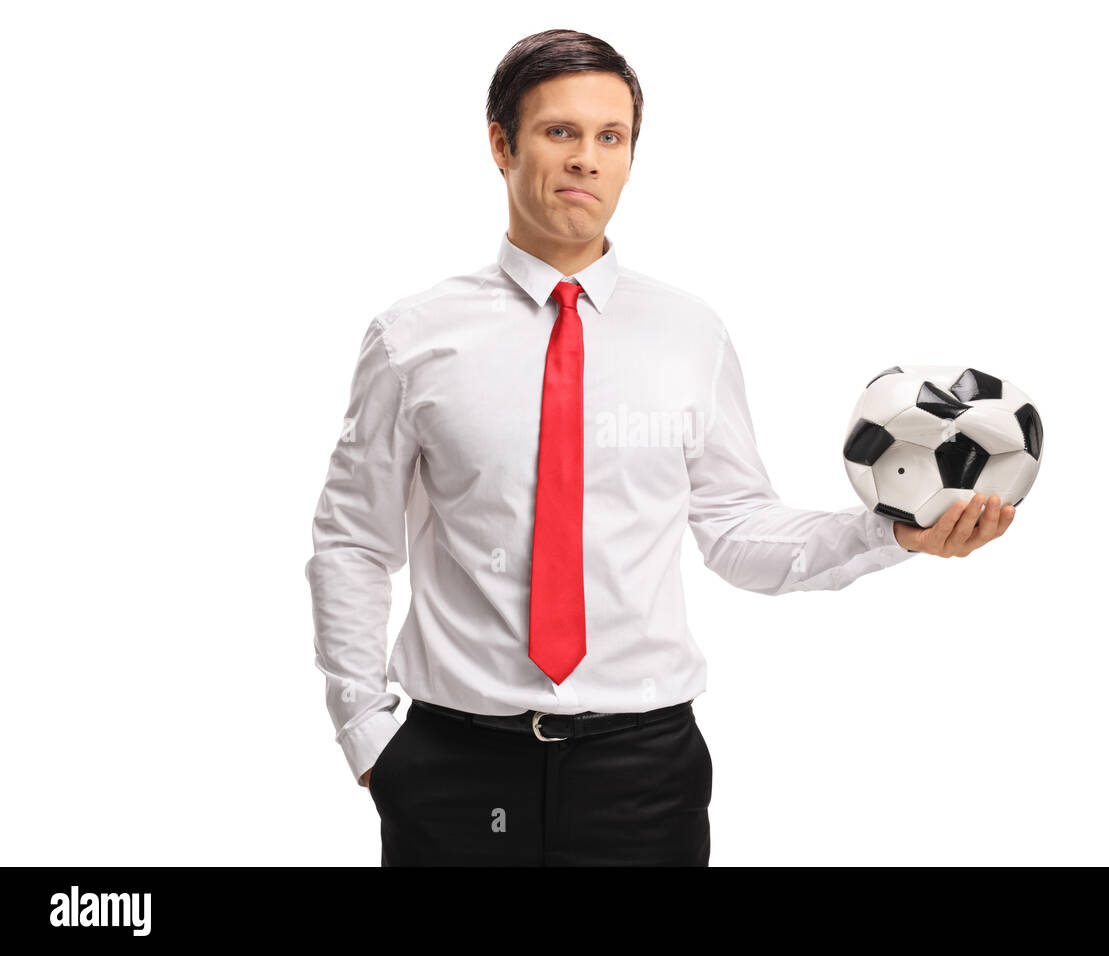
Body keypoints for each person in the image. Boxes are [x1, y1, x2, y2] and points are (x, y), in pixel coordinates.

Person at [304, 28, 1015, 867]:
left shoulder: (689, 335)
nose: (587, 160)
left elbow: (737, 529)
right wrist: (367, 735)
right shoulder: (411, 338)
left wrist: (891, 532)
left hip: (642, 774)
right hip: (455, 770)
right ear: (501, 144)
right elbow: (352, 540)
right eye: (559, 132)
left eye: (611, 137)